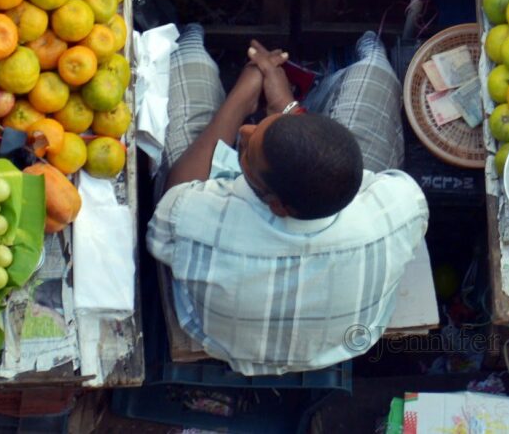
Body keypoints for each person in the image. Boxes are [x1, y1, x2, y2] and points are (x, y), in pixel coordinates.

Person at [147, 26, 429, 375]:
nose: (246, 131)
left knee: (190, 65)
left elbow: (174, 199)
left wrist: (240, 99)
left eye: (245, 152)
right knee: (375, 74)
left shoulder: (198, 225)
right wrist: (286, 104)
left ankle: (190, 41)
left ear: (277, 205)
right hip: (342, 340)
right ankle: (370, 50)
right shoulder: (396, 209)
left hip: (220, 339)